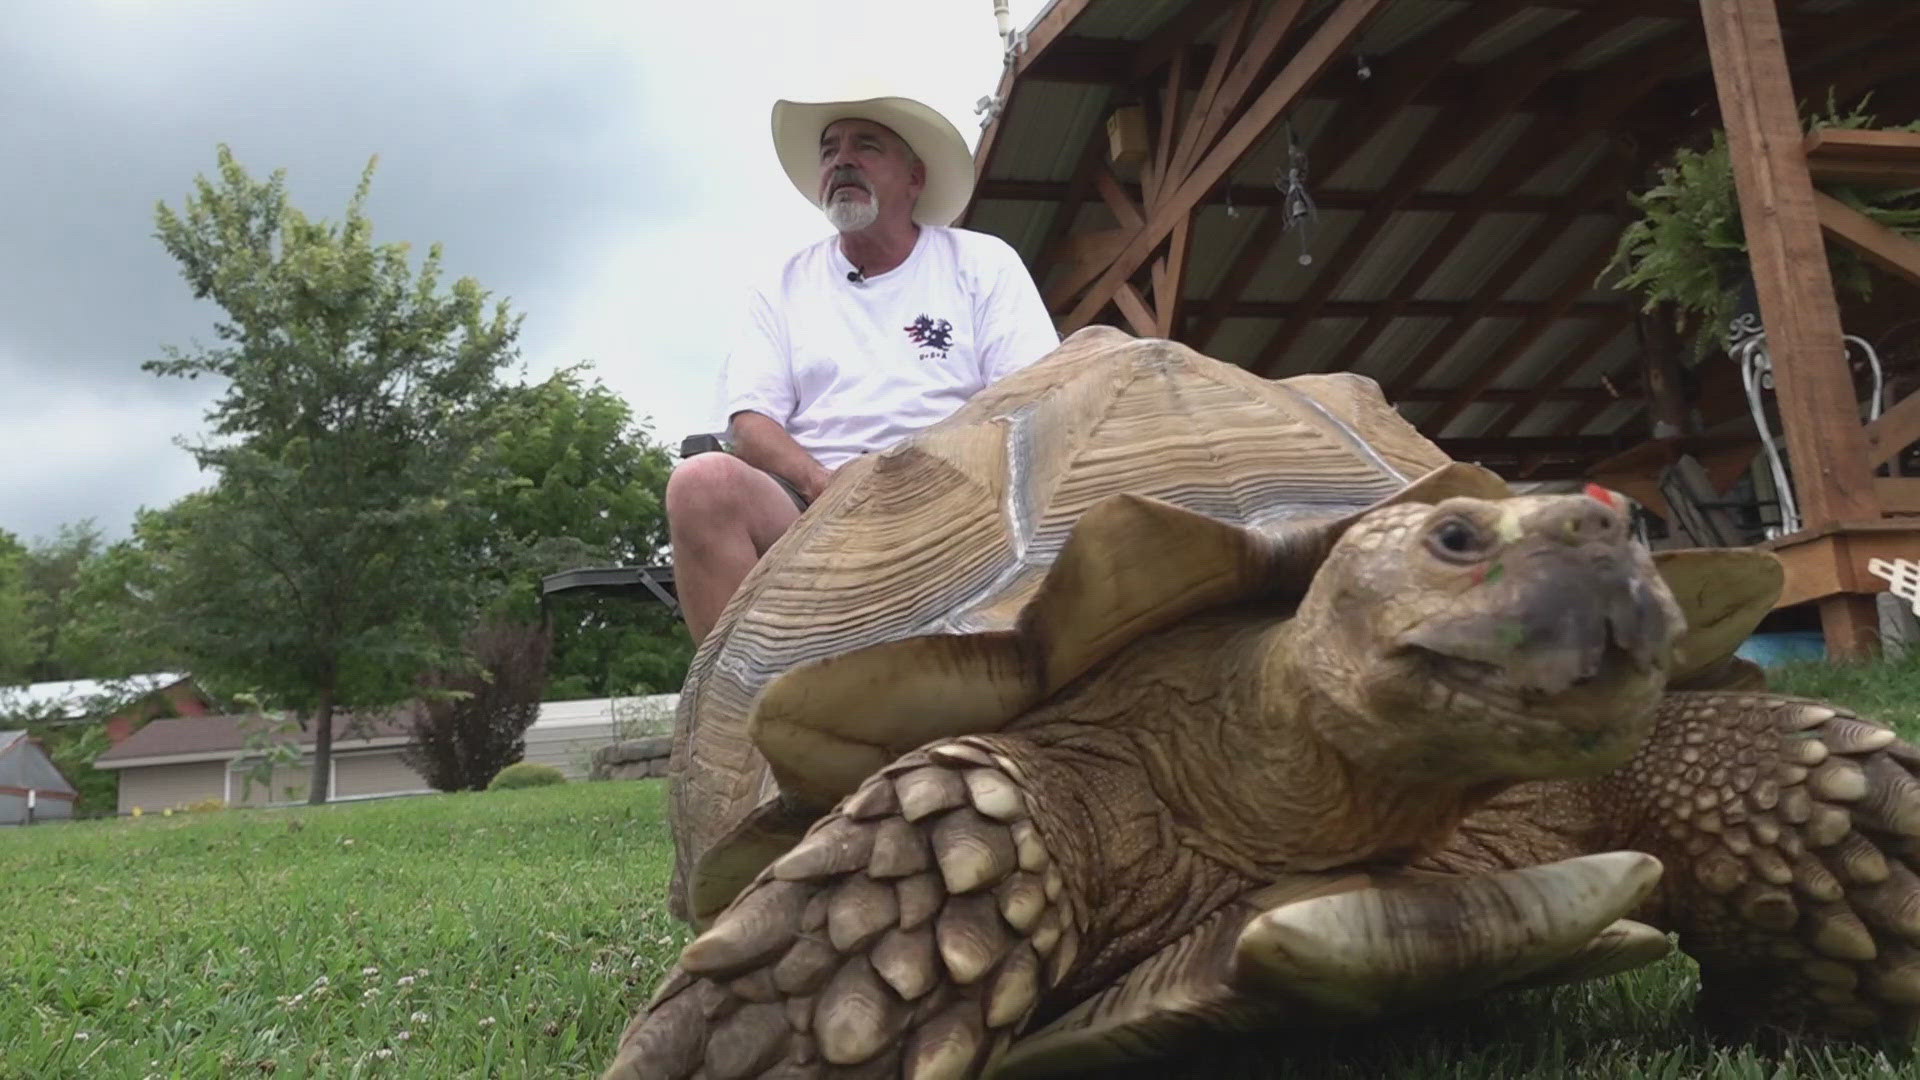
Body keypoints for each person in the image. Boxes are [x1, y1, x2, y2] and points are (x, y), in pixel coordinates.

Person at [666, 90, 1060, 643]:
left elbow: (1034, 398)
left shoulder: (980, 263)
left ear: (915, 178)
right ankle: (734, 718)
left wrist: (930, 481)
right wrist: (822, 483)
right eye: (829, 151)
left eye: (866, 146)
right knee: (699, 483)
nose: (840, 160)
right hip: (813, 513)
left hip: (961, 507)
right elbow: (750, 422)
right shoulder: (781, 285)